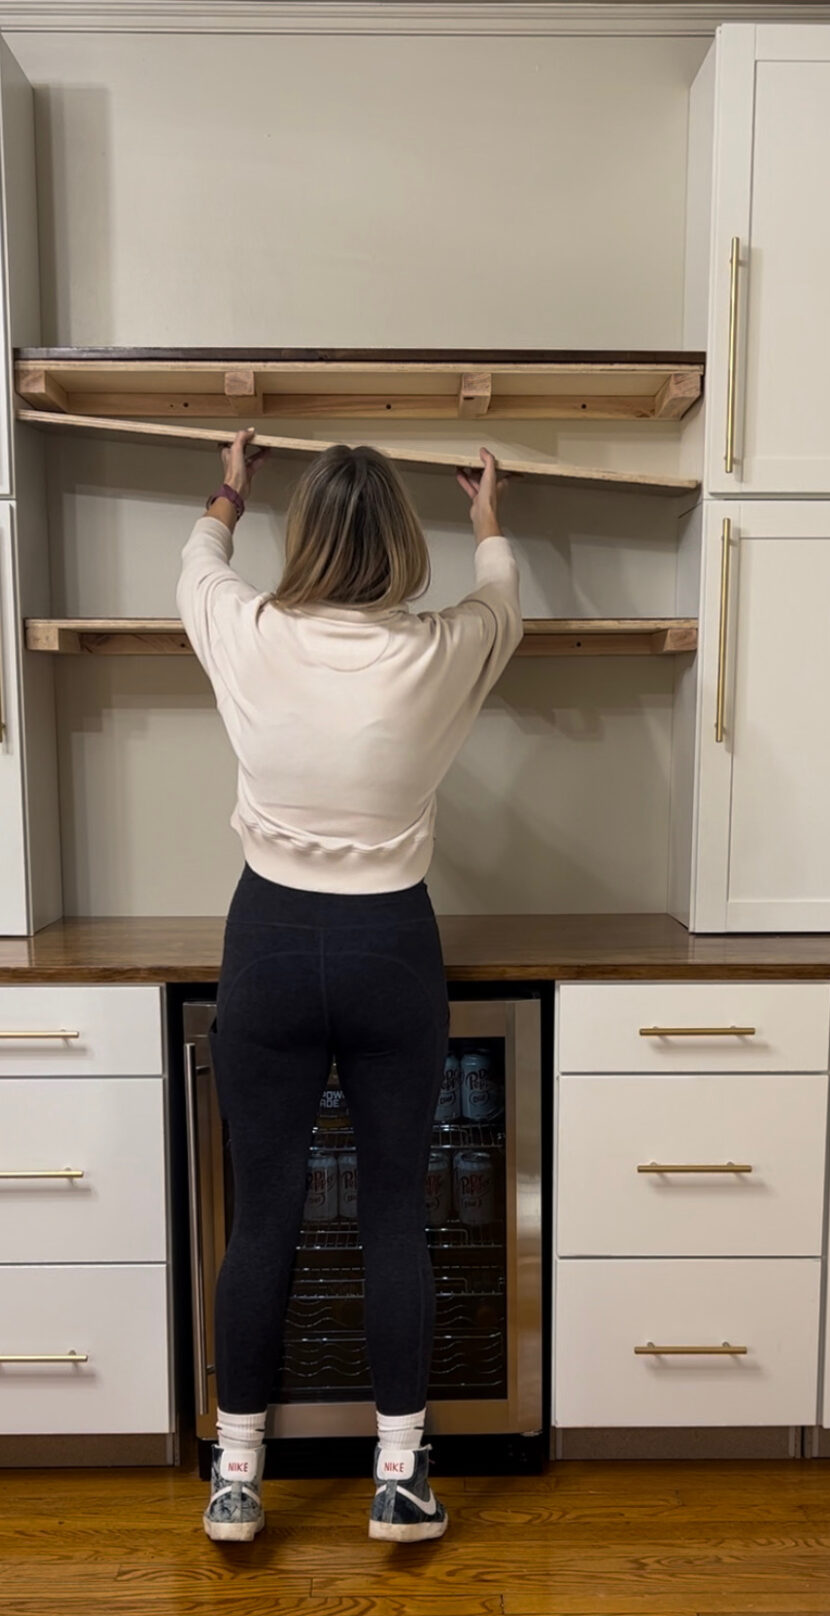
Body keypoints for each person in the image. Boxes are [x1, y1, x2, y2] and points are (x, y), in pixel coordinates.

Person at [177, 430, 521, 1547]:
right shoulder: (440, 649)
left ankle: (236, 1478)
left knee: (263, 1217)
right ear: (402, 542)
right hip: (391, 945)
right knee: (391, 1216)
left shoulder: (249, 631)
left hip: (268, 938)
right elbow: (502, 601)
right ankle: (401, 1476)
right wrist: (487, 517)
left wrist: (233, 488)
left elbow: (196, 562)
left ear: (308, 536)